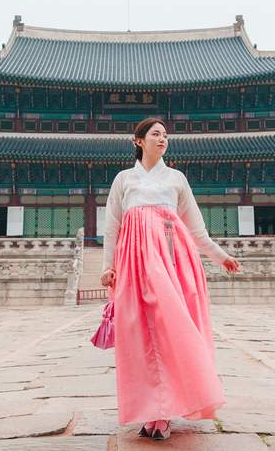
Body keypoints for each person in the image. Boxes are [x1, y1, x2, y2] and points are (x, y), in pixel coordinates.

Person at [99, 117, 242, 439]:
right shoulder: (124, 180)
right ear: (138, 141)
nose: (162, 139)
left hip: (172, 262)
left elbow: (195, 228)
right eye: (155, 134)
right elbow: (112, 226)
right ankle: (150, 411)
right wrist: (108, 266)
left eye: (165, 135)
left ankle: (164, 411)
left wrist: (221, 256)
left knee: (169, 331)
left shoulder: (176, 179)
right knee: (140, 337)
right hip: (135, 264)